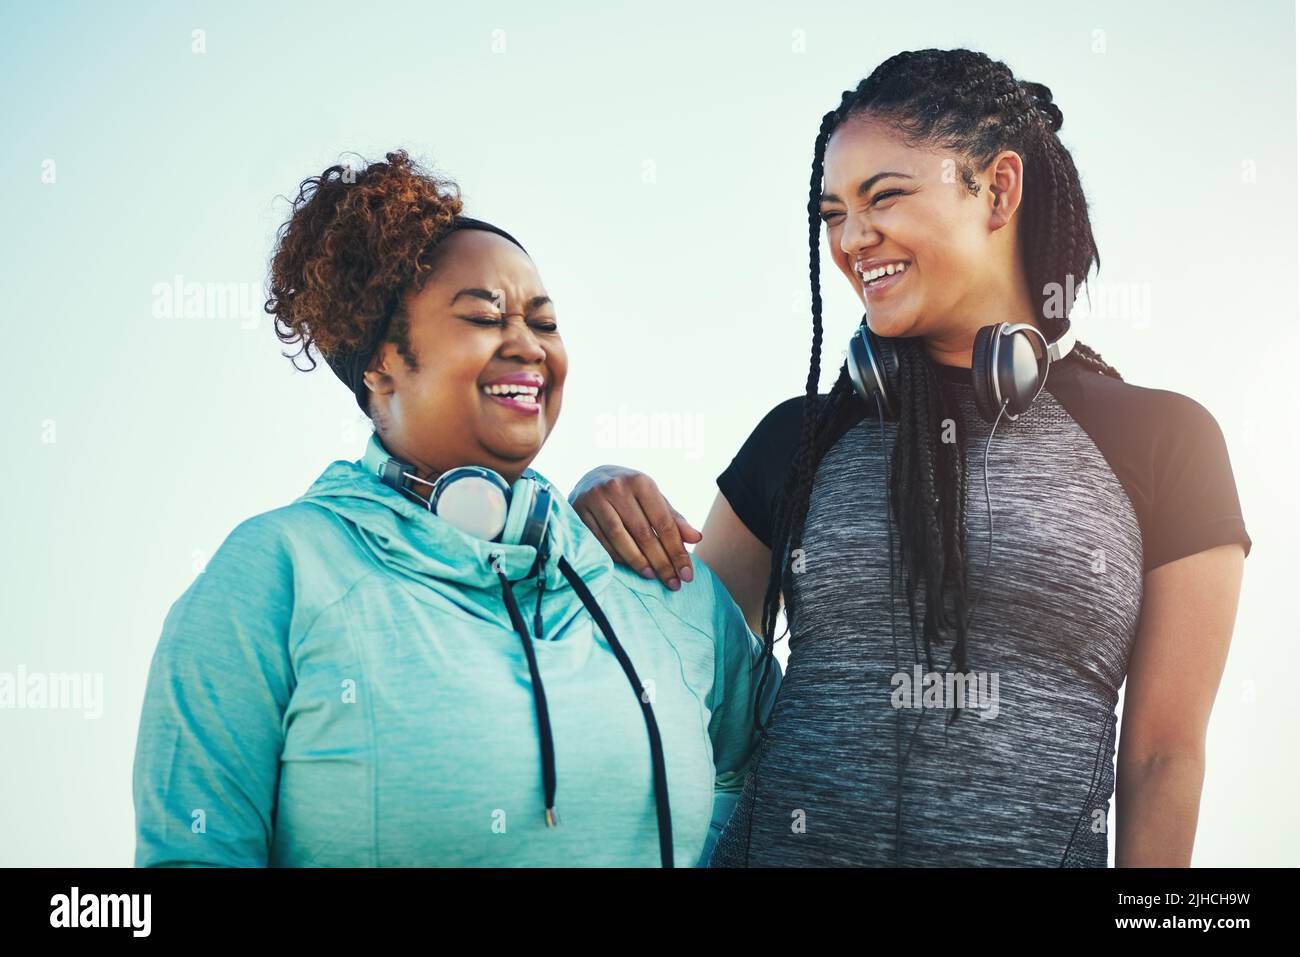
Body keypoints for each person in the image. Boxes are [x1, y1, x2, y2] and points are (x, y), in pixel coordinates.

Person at [569, 49, 1251, 867]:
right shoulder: (800, 437)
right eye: (831, 214)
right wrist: (595, 504)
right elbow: (682, 679)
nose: (854, 240)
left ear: (998, 189)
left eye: (884, 196)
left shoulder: (1165, 440)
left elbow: (1163, 756)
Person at [131, 150, 779, 867]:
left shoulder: (652, 579)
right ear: (381, 363)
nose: (527, 345)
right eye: (483, 316)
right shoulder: (273, 576)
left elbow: (788, 772)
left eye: (545, 321)